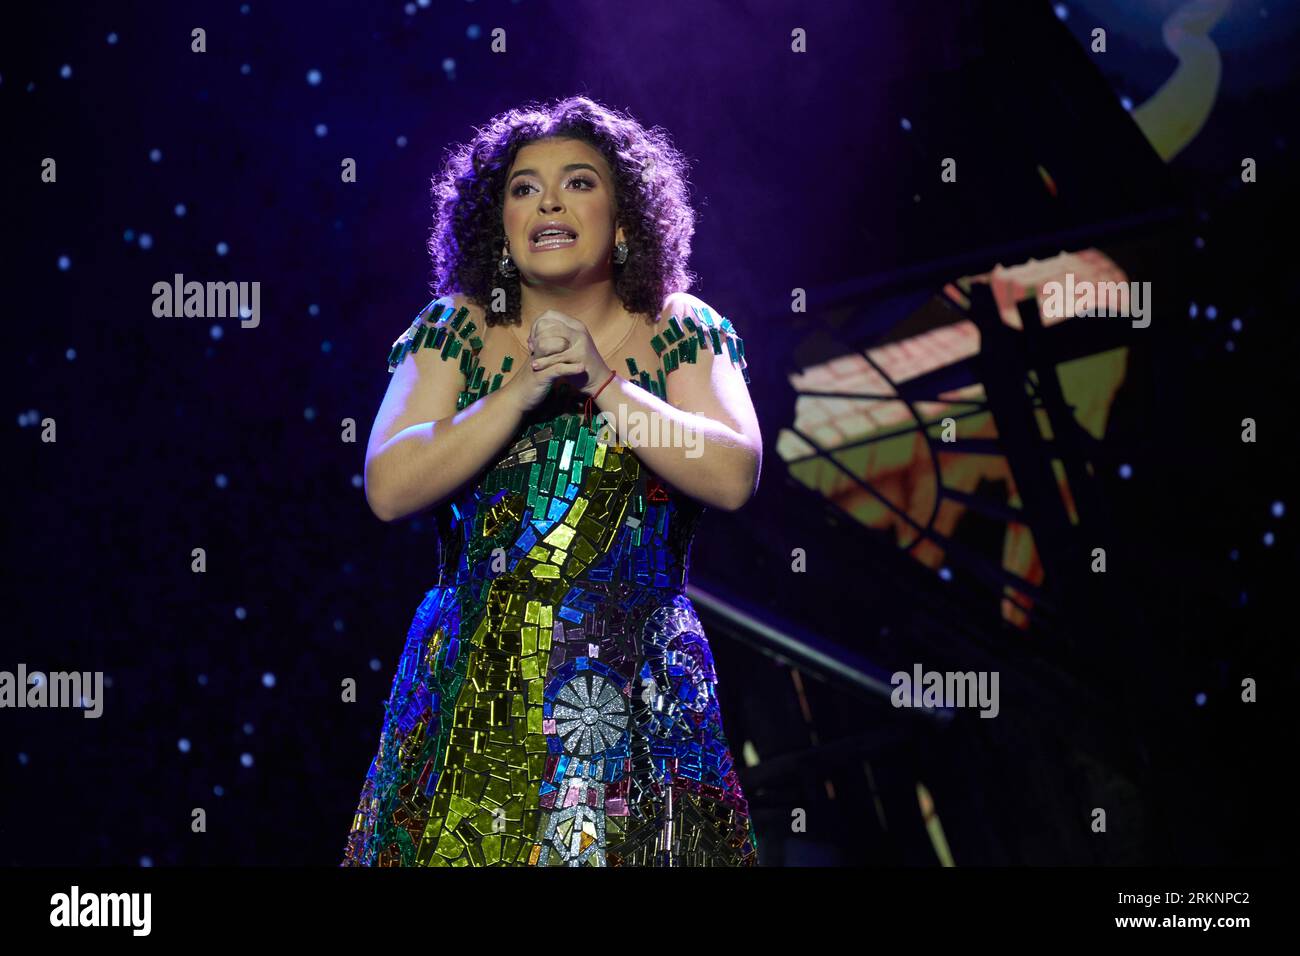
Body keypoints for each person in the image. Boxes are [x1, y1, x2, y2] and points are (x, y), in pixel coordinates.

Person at [341, 95, 762, 866]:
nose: (550, 202)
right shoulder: (455, 327)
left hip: (635, 690)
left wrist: (605, 383)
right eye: (524, 188)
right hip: (477, 690)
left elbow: (733, 471)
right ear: (500, 229)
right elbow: (390, 484)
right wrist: (516, 395)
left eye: (579, 182)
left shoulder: (682, 327)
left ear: (626, 218)